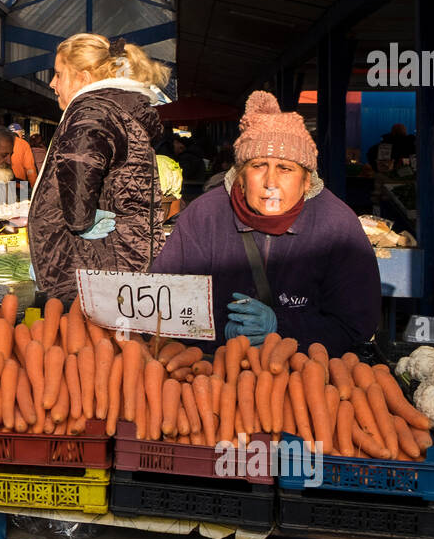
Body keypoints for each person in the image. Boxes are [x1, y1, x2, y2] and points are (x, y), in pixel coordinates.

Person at [152, 91, 380, 357]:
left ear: (307, 181)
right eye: (259, 165)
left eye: (285, 168)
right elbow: (164, 303)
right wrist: (219, 329)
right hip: (213, 369)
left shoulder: (336, 224)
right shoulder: (205, 216)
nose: (271, 182)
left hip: (303, 372)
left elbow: (356, 324)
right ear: (239, 176)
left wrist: (281, 327)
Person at [27, 34, 167, 302]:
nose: (52, 83)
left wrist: (80, 221)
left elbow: (79, 159)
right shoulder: (114, 109)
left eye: (58, 74)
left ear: (84, 77)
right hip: (118, 261)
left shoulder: (91, 111)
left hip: (95, 266)